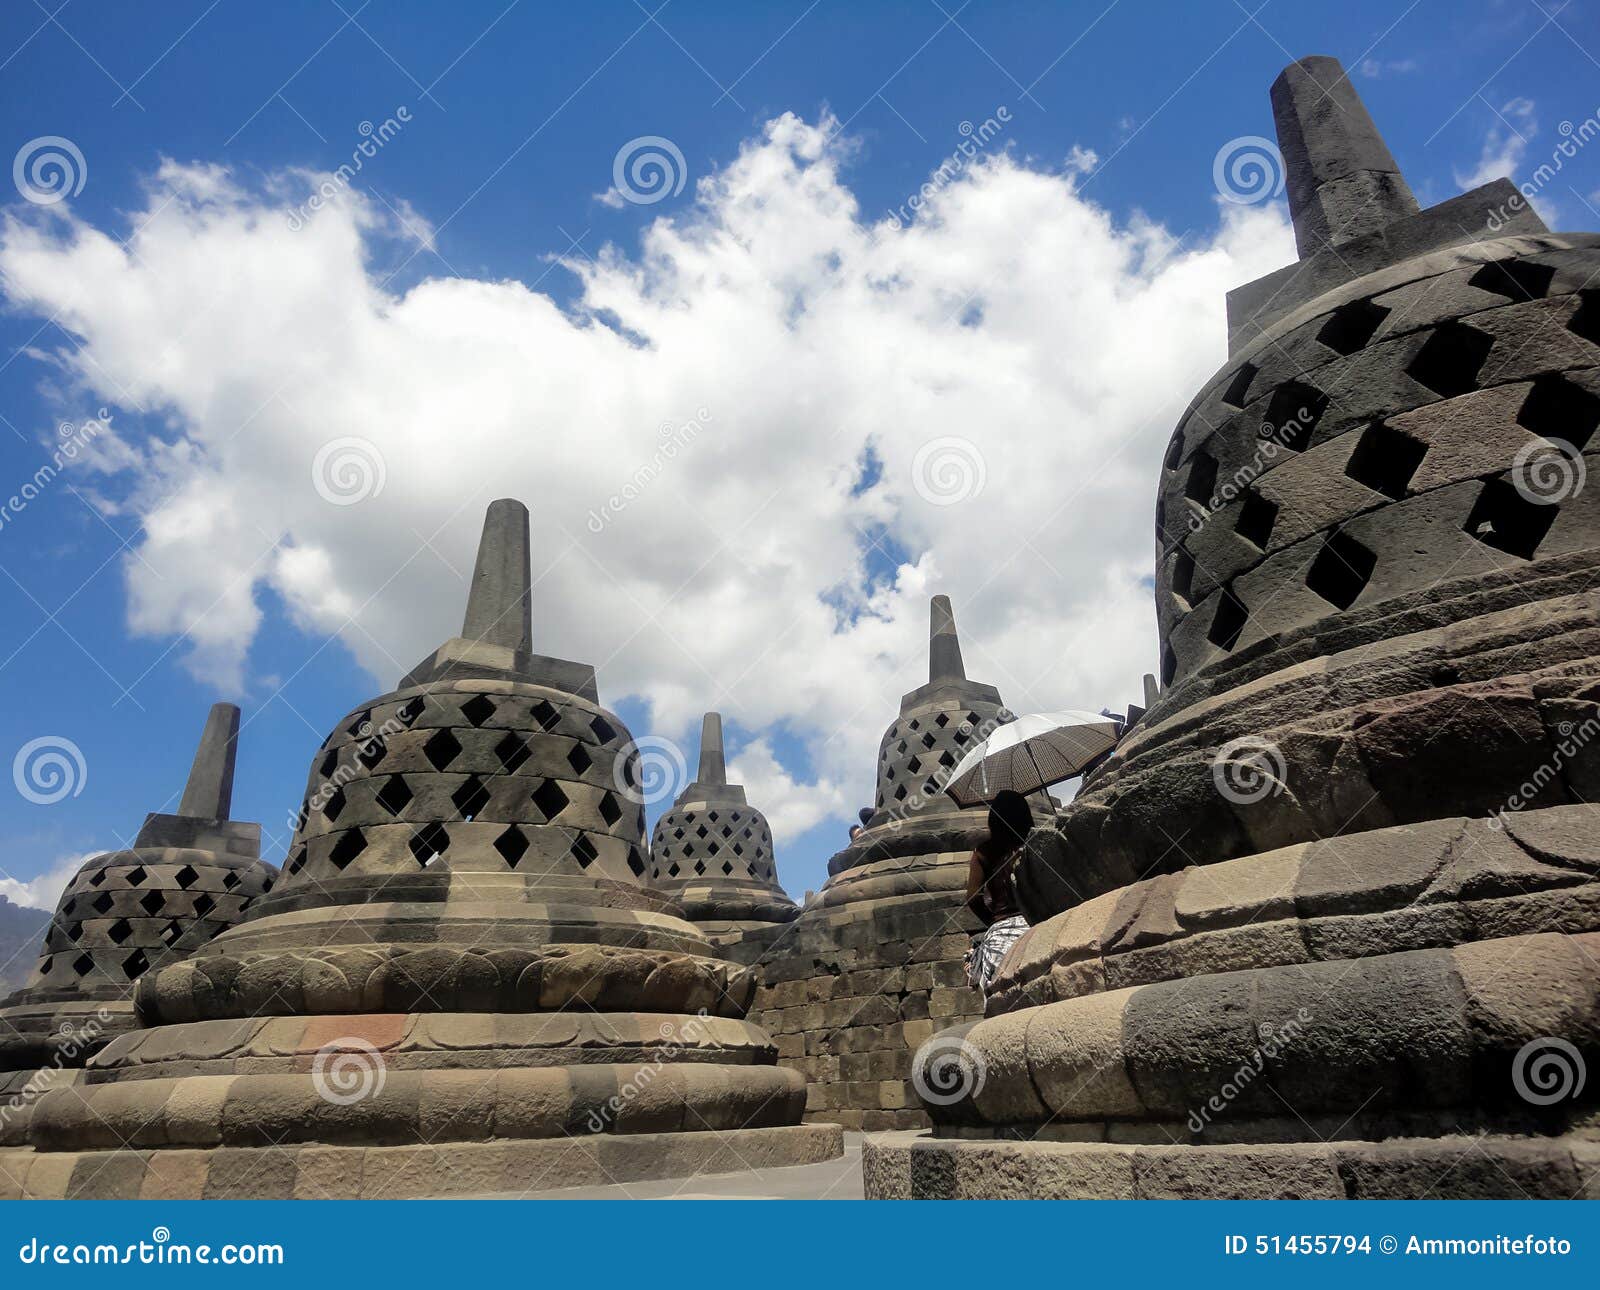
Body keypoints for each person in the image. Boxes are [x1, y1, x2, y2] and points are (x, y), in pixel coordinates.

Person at [963, 789, 1033, 997]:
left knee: (1002, 996)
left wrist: (993, 919)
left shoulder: (984, 852)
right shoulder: (1034, 843)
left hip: (1001, 931)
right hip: (1036, 921)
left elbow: (973, 898)